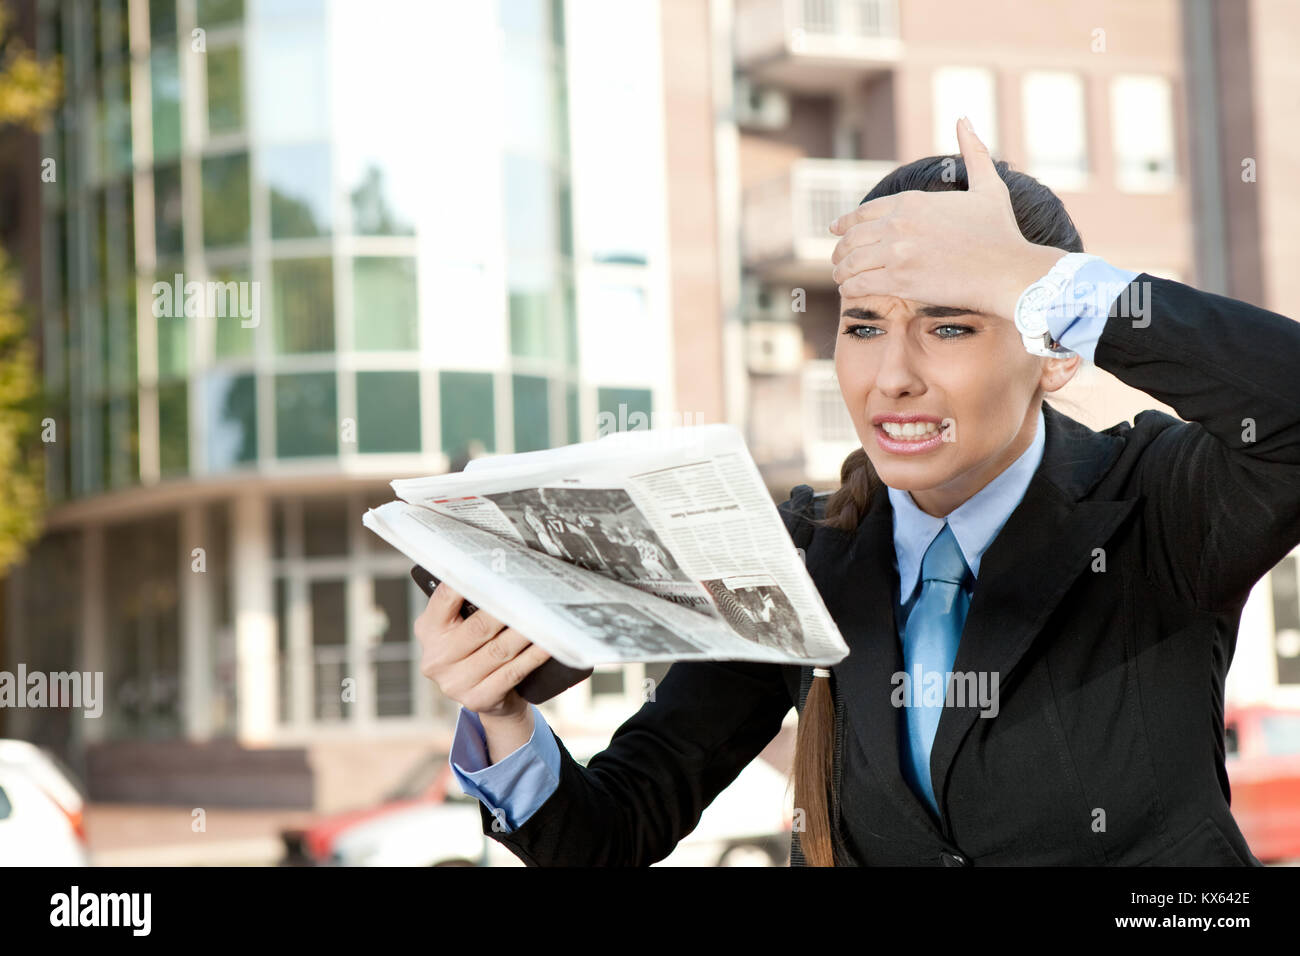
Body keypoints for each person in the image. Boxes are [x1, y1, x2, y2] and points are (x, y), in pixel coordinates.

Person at [413, 118, 1300, 866]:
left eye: (950, 324)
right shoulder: (796, 556)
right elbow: (609, 833)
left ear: (1055, 352)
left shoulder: (1160, 505)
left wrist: (1044, 282)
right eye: (864, 325)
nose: (892, 377)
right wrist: (499, 713)